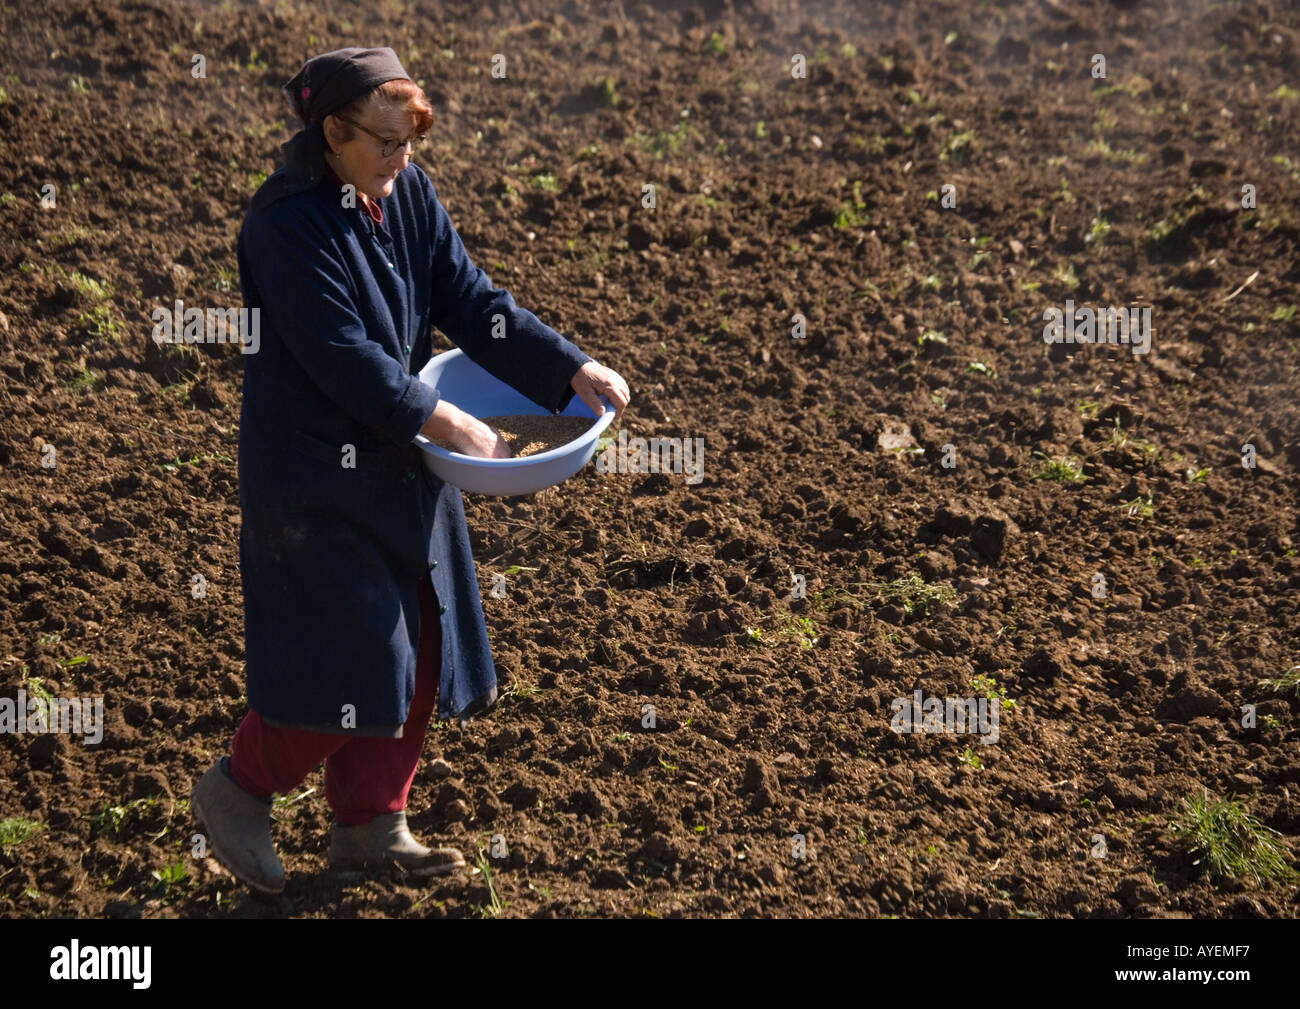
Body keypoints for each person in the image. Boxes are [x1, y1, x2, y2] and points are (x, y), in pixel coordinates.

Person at [191, 47, 631, 895]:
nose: (402, 159)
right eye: (385, 143)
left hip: (399, 458)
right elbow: (344, 358)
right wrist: (449, 418)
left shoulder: (405, 195)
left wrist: (568, 367)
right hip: (313, 474)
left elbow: (469, 298)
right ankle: (236, 791)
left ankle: (367, 823)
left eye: (410, 142)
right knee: (348, 659)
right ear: (333, 132)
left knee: (421, 642)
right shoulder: (283, 226)